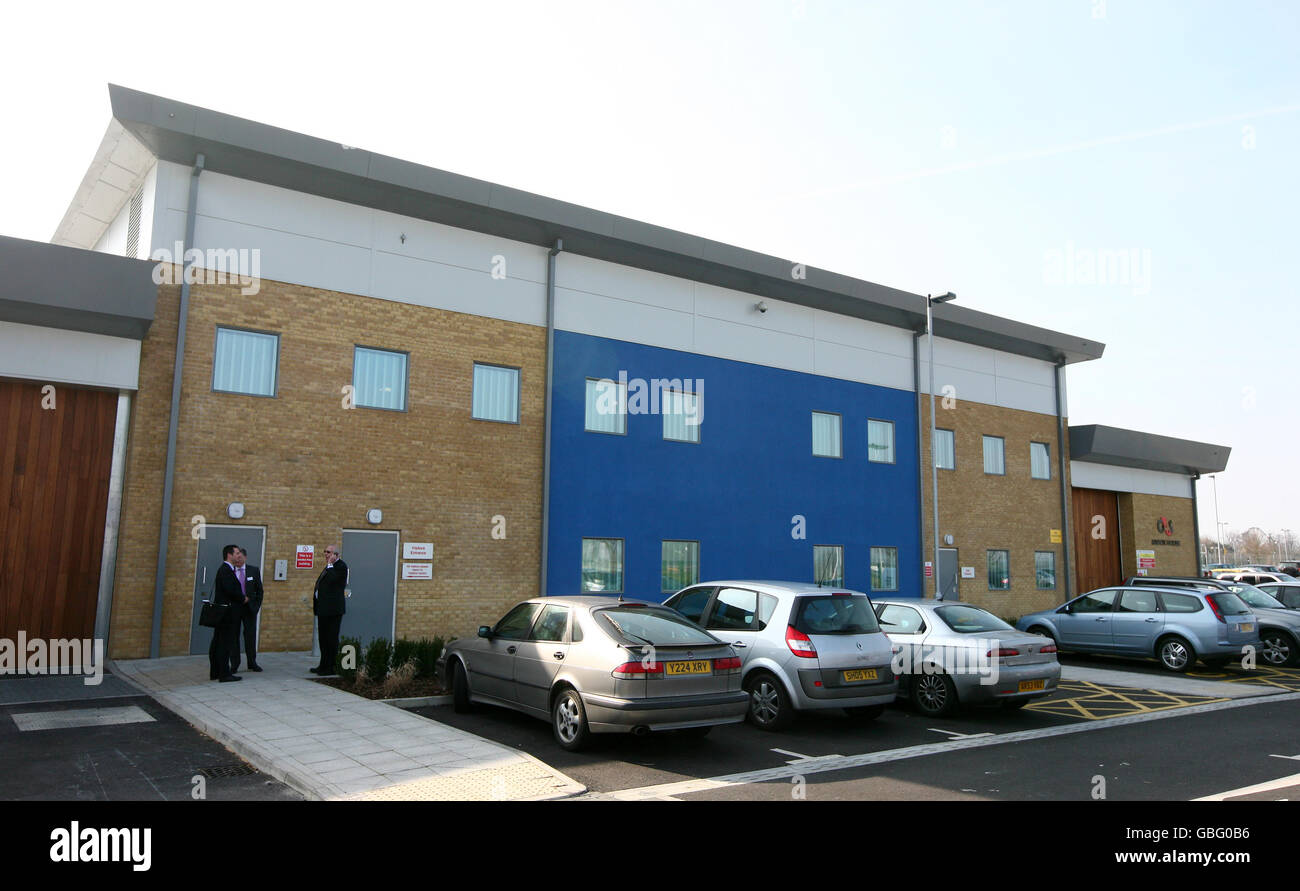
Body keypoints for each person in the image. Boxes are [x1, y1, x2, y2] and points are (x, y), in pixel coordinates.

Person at [210, 544, 248, 682]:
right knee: (224, 643)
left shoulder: (227, 569)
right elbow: (230, 590)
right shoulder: (226, 570)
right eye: (237, 553)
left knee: (219, 642)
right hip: (227, 614)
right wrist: (242, 597)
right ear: (229, 555)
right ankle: (224, 673)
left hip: (226, 612)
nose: (239, 555)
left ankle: (216, 671)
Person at [311, 544, 348, 675]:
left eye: (329, 552)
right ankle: (323, 665)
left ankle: (331, 667)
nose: (326, 554)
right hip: (323, 609)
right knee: (323, 638)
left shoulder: (341, 567)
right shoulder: (328, 566)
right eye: (325, 551)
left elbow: (334, 581)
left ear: (336, 555)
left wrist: (331, 565)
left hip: (333, 610)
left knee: (331, 639)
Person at [230, 546, 264, 673]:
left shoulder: (253, 571)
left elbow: (259, 590)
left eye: (240, 558)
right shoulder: (231, 571)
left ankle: (252, 662)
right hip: (235, 608)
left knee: (250, 636)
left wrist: (256, 606)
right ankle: (234, 663)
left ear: (245, 557)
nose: (238, 560)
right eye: (236, 558)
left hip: (249, 609)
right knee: (234, 636)